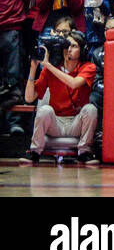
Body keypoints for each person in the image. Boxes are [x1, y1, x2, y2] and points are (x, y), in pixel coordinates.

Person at [20, 28, 98, 165]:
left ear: (82, 50)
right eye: (67, 46)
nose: (69, 49)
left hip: (76, 122)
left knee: (91, 109)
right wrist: (33, 69)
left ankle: (84, 152)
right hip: (56, 123)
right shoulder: (50, 69)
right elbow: (29, 98)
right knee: (45, 110)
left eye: (74, 46)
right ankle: (34, 152)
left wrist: (48, 65)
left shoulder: (88, 67)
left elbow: (74, 83)